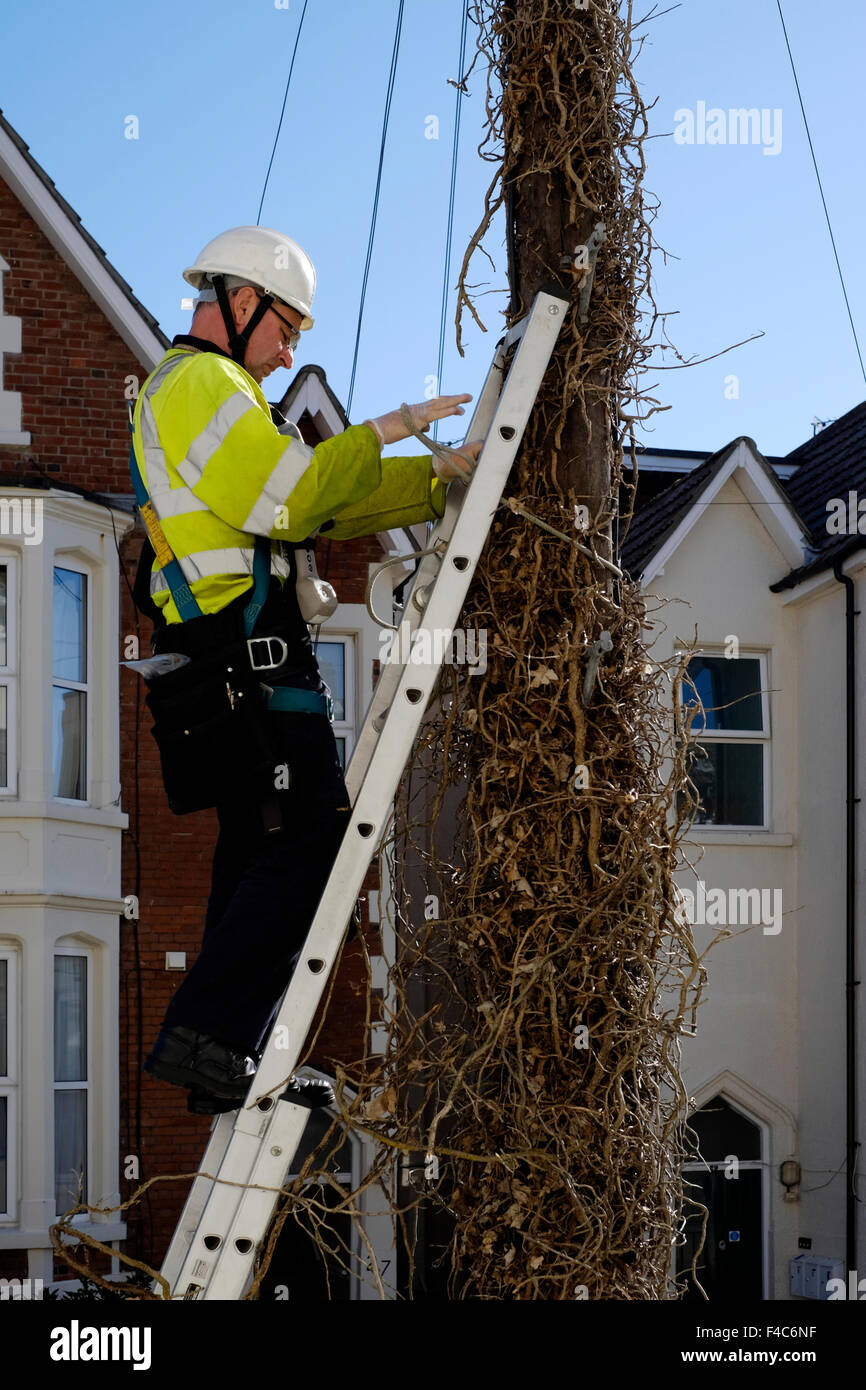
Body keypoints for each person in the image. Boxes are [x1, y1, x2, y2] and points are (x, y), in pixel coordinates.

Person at [135, 226, 482, 1114]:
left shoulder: (202, 393)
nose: (292, 350)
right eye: (287, 327)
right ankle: (208, 1037)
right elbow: (289, 498)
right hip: (249, 670)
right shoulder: (205, 384)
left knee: (257, 852)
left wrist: (433, 479)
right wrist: (394, 426)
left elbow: (313, 495)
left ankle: (216, 1059)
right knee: (316, 840)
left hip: (230, 670)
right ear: (240, 301)